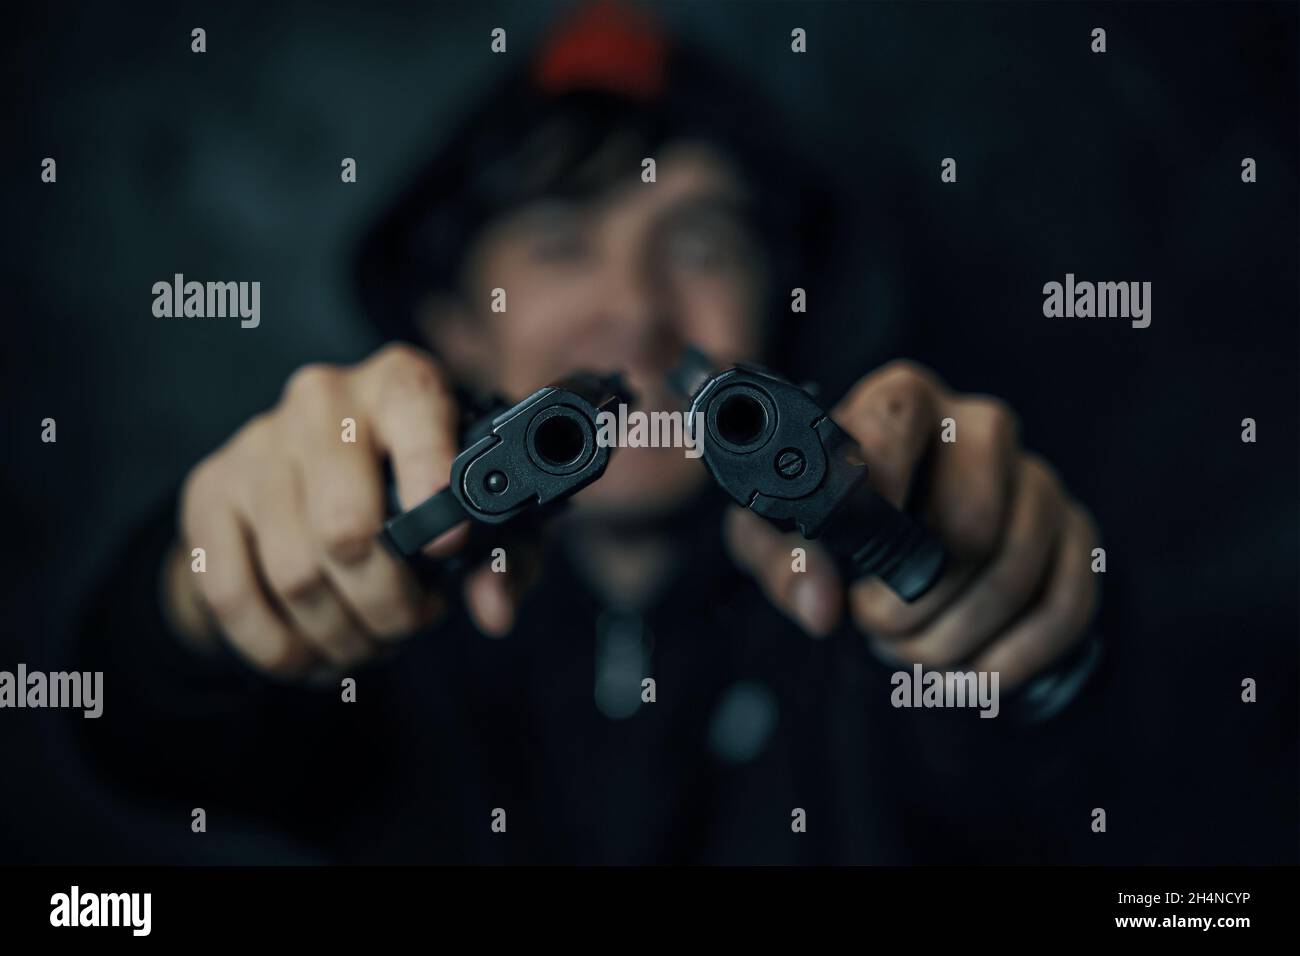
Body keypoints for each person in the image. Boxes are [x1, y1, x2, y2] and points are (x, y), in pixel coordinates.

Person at [71, 1, 1107, 863]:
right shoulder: (392, 641)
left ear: (780, 315)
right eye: (560, 241)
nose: (638, 312)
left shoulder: (852, 641)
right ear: (454, 322)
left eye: (699, 242)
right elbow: (135, 726)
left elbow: (1015, 768)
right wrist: (206, 593)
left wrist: (1002, 614)